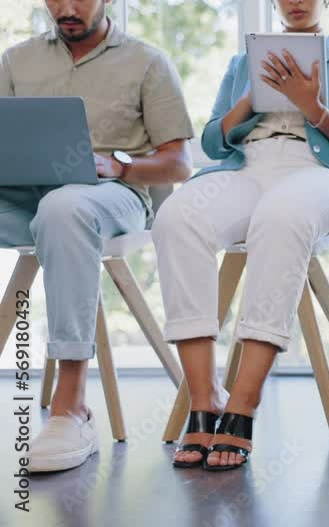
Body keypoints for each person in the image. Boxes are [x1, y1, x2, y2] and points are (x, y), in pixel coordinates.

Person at [153, 0, 329, 471]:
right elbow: (213, 142)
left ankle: (244, 401)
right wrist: (250, 99)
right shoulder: (243, 62)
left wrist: (313, 107)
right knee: (177, 218)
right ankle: (205, 398)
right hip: (249, 168)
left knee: (281, 215)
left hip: (322, 173)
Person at [0, 0, 194, 472]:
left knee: (63, 209)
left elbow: (179, 163)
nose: (66, 8)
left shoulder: (147, 62)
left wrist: (119, 165)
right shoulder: (16, 60)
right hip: (25, 196)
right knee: (54, 209)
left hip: (111, 196)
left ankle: (71, 407)